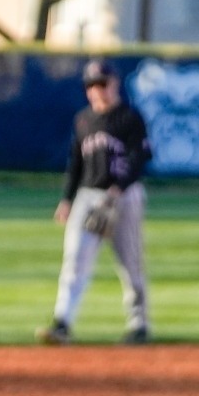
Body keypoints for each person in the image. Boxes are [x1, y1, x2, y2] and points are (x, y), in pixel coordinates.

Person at [38, 59, 153, 346]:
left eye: (102, 83)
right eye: (91, 85)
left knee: (130, 263)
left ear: (114, 84)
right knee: (75, 260)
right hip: (88, 196)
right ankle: (62, 322)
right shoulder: (83, 120)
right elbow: (76, 163)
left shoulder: (129, 118)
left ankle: (138, 325)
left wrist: (119, 189)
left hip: (124, 198)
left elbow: (140, 158)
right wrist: (66, 199)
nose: (97, 90)